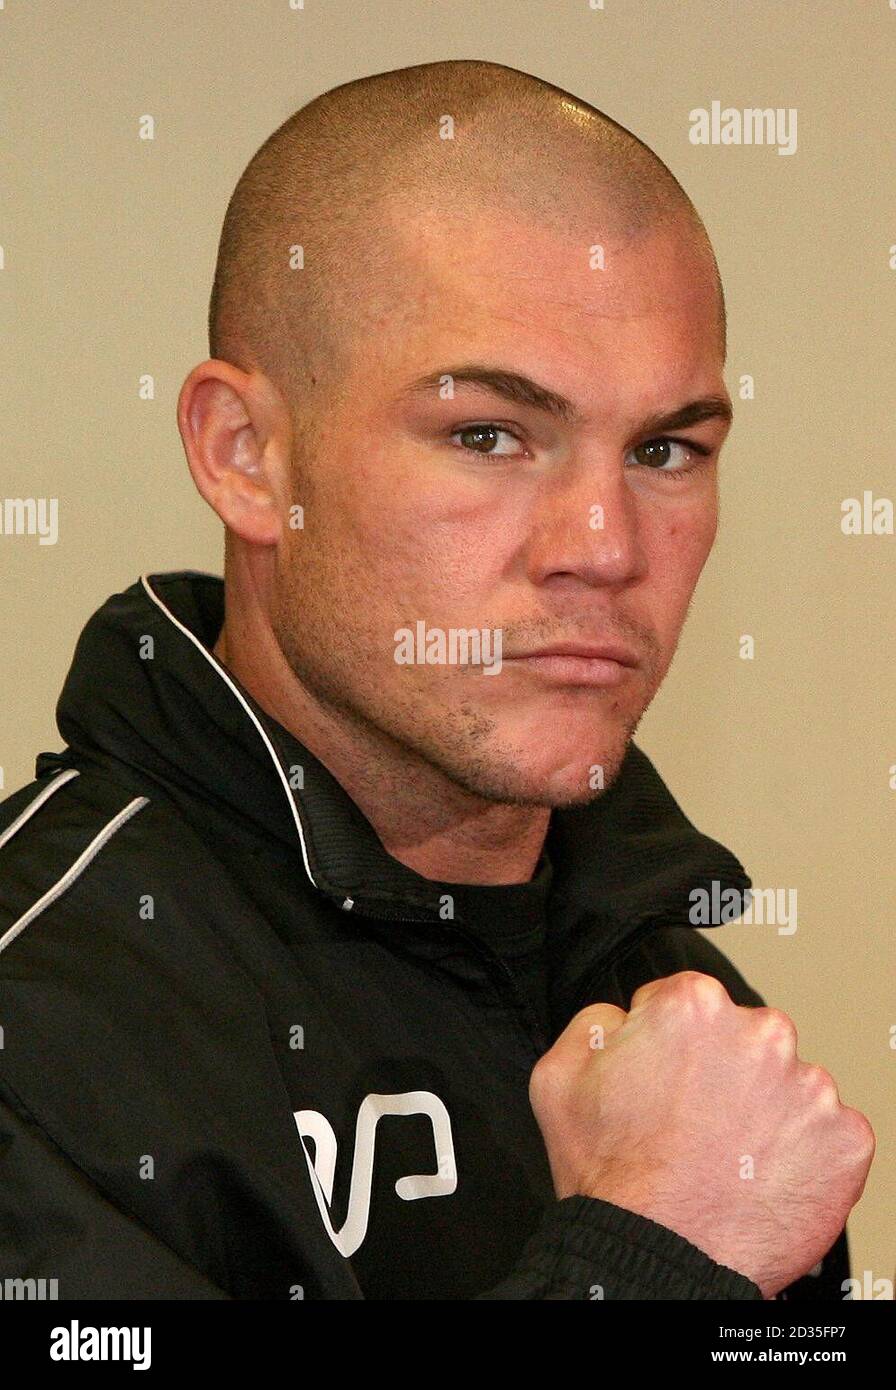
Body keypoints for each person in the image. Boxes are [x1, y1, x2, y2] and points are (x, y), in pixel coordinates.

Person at [0, 59, 873, 1300]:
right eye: (486, 435)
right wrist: (648, 1257)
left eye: (665, 449)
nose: (604, 549)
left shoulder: (679, 1001)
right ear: (247, 457)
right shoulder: (39, 1030)